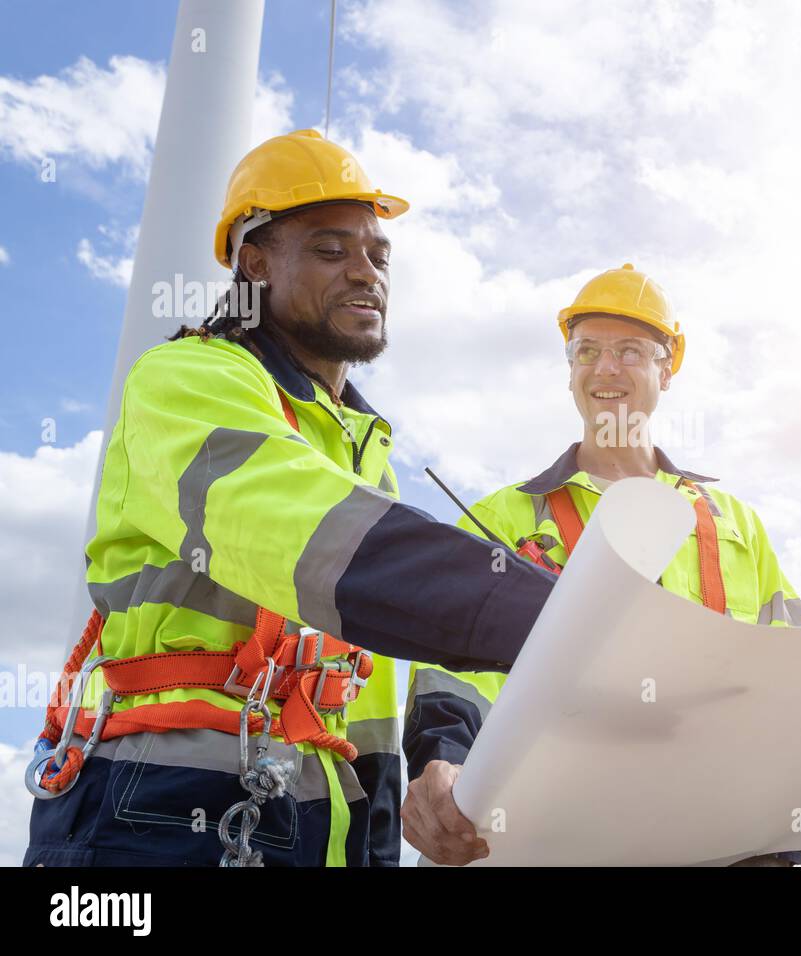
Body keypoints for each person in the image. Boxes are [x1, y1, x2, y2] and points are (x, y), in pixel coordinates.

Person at [24, 130, 555, 867]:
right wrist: (558, 617)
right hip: (157, 805)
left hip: (316, 813)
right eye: (332, 251)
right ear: (254, 263)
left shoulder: (364, 454)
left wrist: (372, 842)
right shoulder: (183, 379)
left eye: (378, 255)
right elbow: (309, 534)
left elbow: (359, 691)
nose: (366, 272)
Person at [400, 263, 801, 866]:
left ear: (667, 368)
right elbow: (448, 678)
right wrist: (444, 765)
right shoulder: (502, 516)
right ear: (570, 367)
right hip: (567, 831)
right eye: (587, 350)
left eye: (631, 350)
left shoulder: (734, 523)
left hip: (739, 835)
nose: (605, 368)